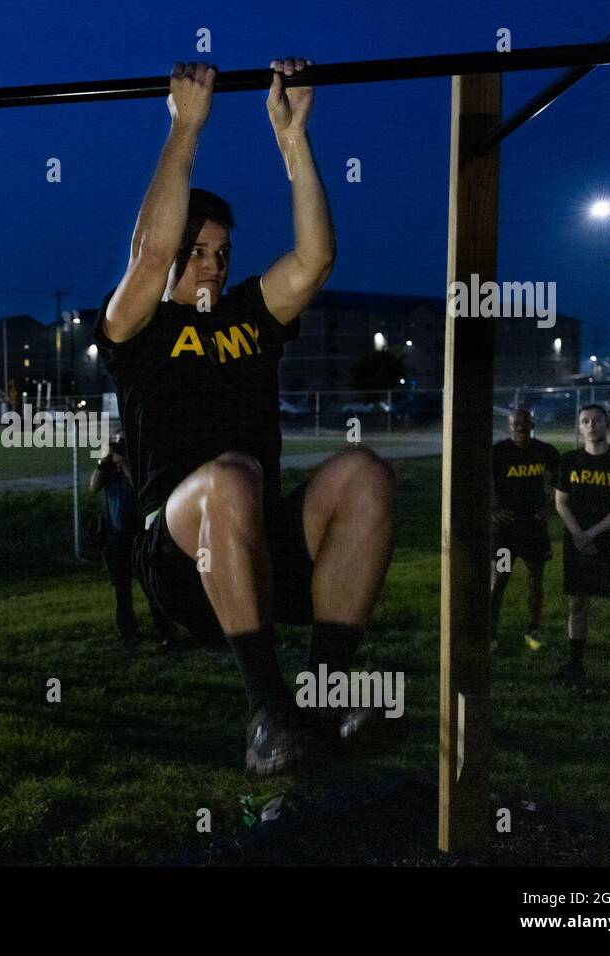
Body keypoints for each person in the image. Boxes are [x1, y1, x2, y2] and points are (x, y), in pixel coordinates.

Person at [94, 59, 395, 775]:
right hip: (177, 558)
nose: (211, 266)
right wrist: (185, 127)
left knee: (365, 475)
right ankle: (267, 713)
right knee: (230, 477)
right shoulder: (135, 328)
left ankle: (321, 699)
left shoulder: (251, 315)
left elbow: (317, 258)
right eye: (197, 253)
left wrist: (293, 137)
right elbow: (150, 253)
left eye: (222, 254)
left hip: (255, 543)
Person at [553, 404, 610, 691]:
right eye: (585, 421)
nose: (591, 425)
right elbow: (561, 502)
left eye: (597, 420)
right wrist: (579, 534)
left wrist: (593, 532)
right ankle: (575, 665)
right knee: (577, 604)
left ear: (607, 424)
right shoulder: (569, 462)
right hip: (578, 545)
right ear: (579, 427)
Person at [90, 432, 177, 646]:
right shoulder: (109, 469)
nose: (118, 448)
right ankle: (127, 630)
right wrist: (103, 462)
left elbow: (140, 488)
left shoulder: (141, 467)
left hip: (141, 534)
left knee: (151, 584)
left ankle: (166, 631)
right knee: (121, 587)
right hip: (116, 534)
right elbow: (93, 486)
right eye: (116, 444)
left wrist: (127, 464)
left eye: (122, 444)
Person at [489, 408, 560, 653]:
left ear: (532, 424)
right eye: (515, 424)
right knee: (499, 579)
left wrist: (550, 505)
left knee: (535, 580)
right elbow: (477, 480)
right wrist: (492, 510)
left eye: (525, 424)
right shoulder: (498, 452)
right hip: (506, 531)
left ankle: (533, 630)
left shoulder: (544, 451)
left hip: (533, 529)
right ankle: (490, 634)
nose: (520, 428)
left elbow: (562, 479)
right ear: (509, 426)